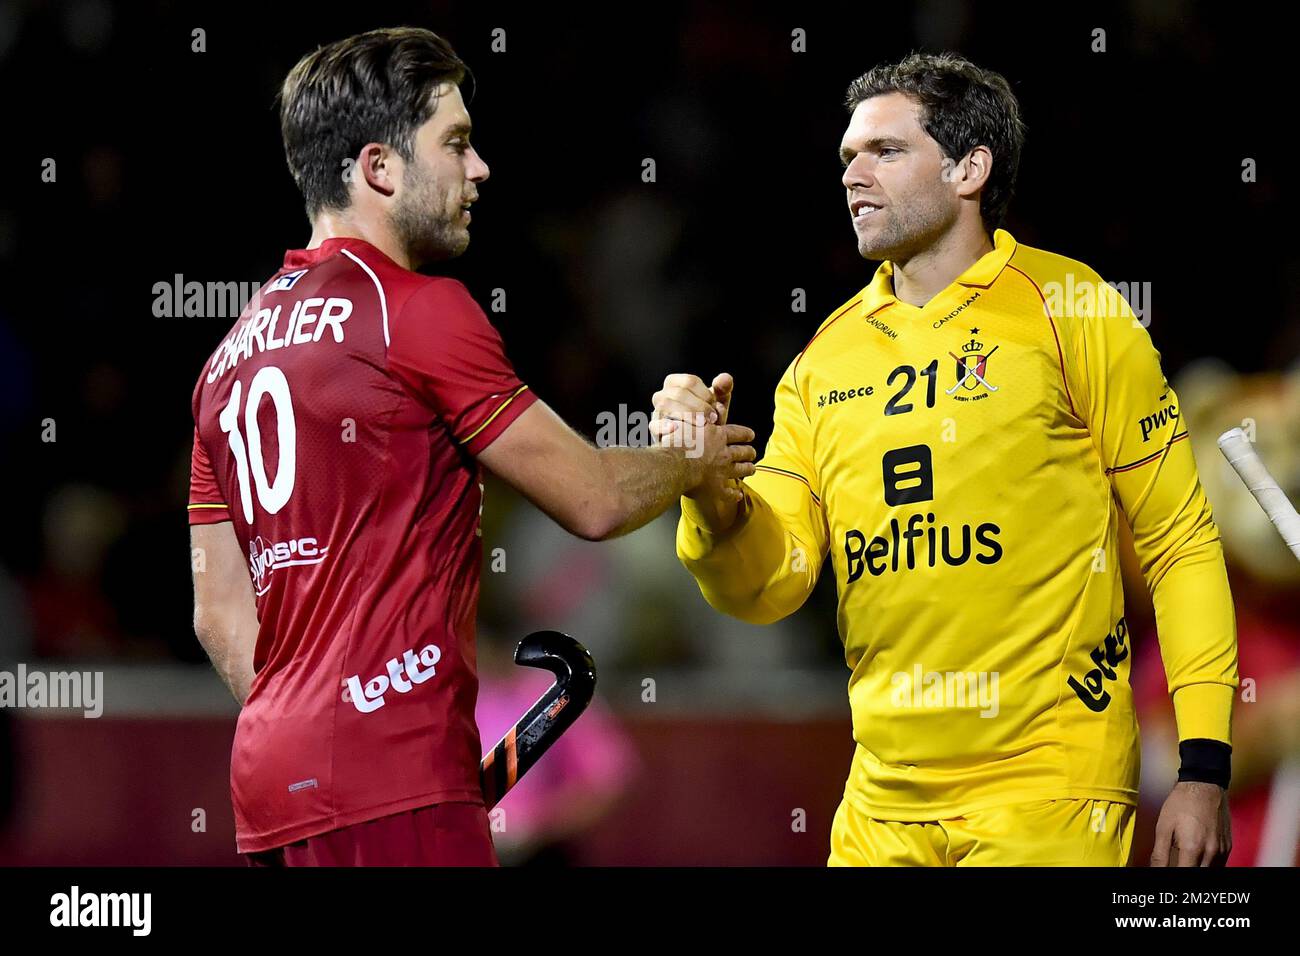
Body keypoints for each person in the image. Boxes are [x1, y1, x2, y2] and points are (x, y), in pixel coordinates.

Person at [186, 27, 754, 867]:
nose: (479, 167)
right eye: (454, 142)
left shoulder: (223, 362)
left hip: (273, 785)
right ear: (380, 167)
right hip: (399, 775)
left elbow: (219, 613)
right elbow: (592, 499)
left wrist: (316, 735)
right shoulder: (417, 309)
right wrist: (695, 459)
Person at [652, 52, 1237, 866]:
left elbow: (1180, 542)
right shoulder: (822, 362)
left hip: (1048, 788)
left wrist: (1203, 767)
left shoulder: (1075, 311)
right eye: (848, 157)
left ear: (969, 168)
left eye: (885, 152)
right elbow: (772, 585)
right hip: (881, 802)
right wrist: (712, 498)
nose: (853, 173)